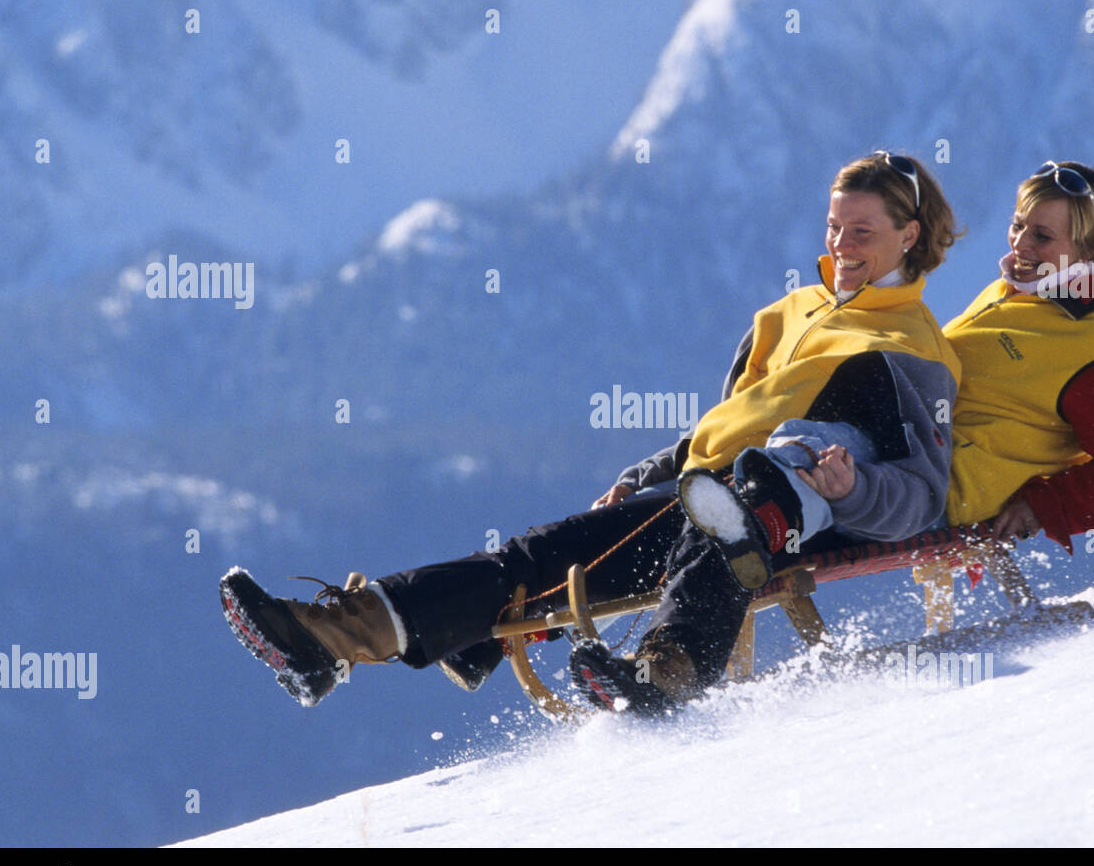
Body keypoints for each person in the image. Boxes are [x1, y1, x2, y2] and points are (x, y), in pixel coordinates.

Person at [219, 152, 963, 717]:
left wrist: (855, 486)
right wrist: (647, 473)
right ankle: (327, 640)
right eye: (835, 227)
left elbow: (923, 498)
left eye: (862, 232)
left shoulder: (910, 349)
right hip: (702, 489)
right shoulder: (791, 312)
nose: (843, 244)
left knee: (725, 527)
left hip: (793, 516)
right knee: (537, 554)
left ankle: (665, 668)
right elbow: (727, 424)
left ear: (910, 235)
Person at [943, 161, 1094, 550]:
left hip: (937, 485)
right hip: (909, 452)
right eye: (1018, 225)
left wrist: (1042, 507)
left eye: (1042, 235)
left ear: (1087, 249)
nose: (1020, 244)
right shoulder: (1015, 292)